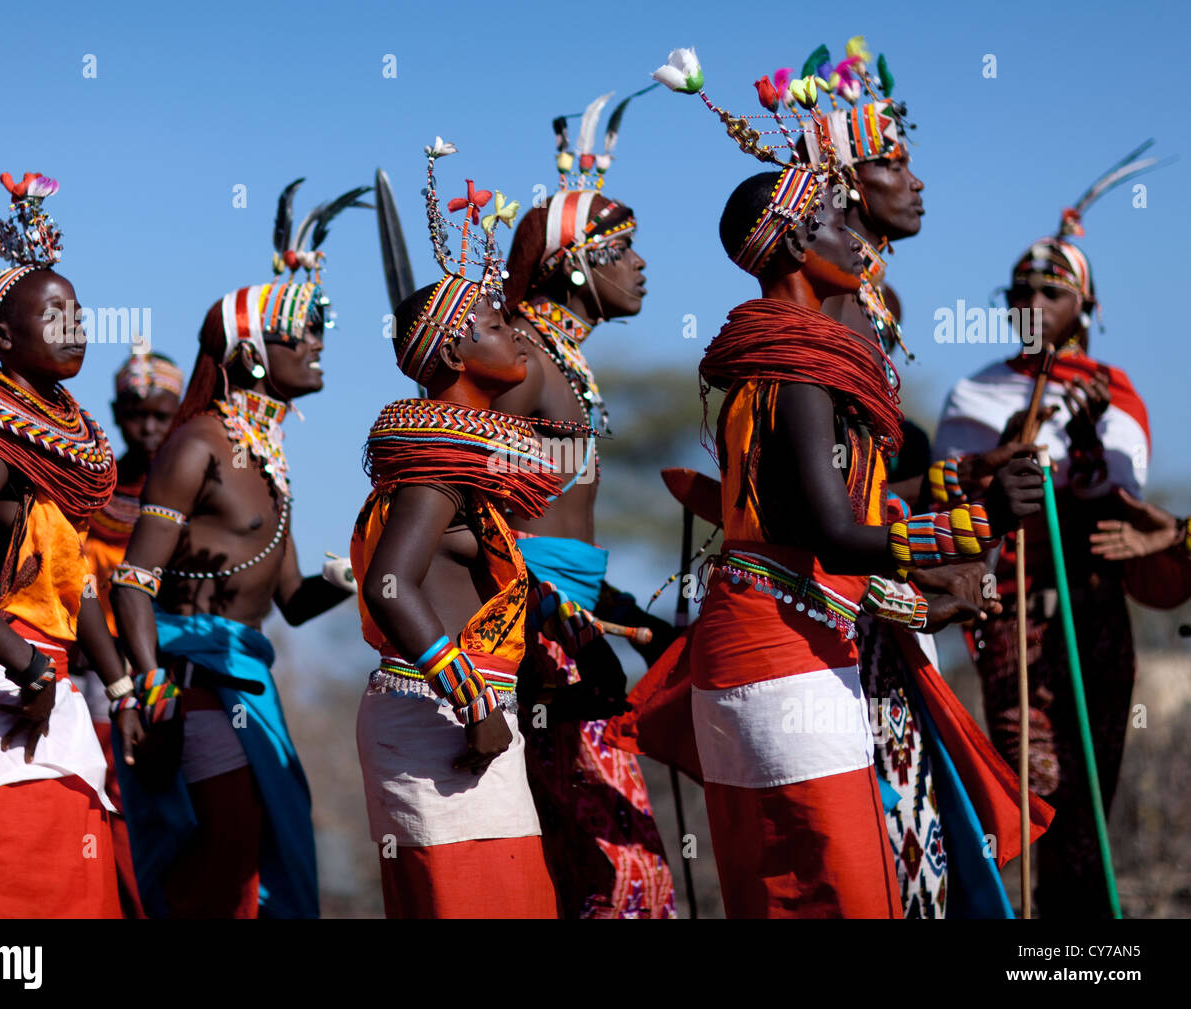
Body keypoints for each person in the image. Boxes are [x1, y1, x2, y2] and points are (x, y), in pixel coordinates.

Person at [651, 49, 1045, 917]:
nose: (858, 234)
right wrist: (974, 525)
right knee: (839, 887)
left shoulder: (795, 352)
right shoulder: (796, 363)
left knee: (857, 878)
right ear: (799, 239)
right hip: (785, 643)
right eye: (840, 215)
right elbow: (832, 529)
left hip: (803, 630)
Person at [109, 182, 365, 918]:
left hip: (250, 685)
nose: (317, 346)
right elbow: (131, 582)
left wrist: (346, 580)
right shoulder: (196, 445)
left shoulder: (269, 458)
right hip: (196, 689)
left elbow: (288, 602)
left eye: (319, 330)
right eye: (301, 334)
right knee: (221, 868)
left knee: (256, 867)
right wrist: (152, 697)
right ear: (252, 352)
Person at [935, 151, 1163, 915]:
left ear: (1086, 306)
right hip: (1013, 609)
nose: (1033, 296)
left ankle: (1086, 943)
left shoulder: (1116, 393)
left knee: (1090, 783)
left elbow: (1121, 496)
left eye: (1052, 287)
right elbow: (951, 496)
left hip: (1091, 608)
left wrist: (1091, 429)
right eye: (1021, 287)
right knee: (1031, 778)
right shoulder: (977, 392)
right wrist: (1017, 434)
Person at [0, 173, 132, 917]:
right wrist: (33, 670)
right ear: (4, 336)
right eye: (53, 315)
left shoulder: (58, 441)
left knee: (87, 896)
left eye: (77, 313)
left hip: (45, 682)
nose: (74, 328)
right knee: (30, 914)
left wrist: (120, 685)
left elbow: (77, 585)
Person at [353, 142, 562, 918]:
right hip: (442, 718)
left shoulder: (463, 457)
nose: (513, 333)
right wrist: (474, 703)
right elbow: (389, 583)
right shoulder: (434, 464)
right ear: (451, 349)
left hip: (456, 717)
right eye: (494, 322)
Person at [491, 91, 676, 919]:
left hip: (574, 618)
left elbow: (565, 531)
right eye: (621, 249)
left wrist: (631, 613)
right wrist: (548, 624)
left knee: (606, 853)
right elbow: (482, 509)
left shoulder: (562, 365)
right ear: (572, 265)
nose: (641, 264)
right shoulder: (522, 361)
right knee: (609, 858)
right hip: (533, 633)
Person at [74, 351, 185, 917]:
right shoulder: (95, 497)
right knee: (121, 801)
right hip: (107, 678)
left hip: (185, 670)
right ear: (117, 414)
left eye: (162, 415)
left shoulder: (190, 491)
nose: (148, 426)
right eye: (136, 414)